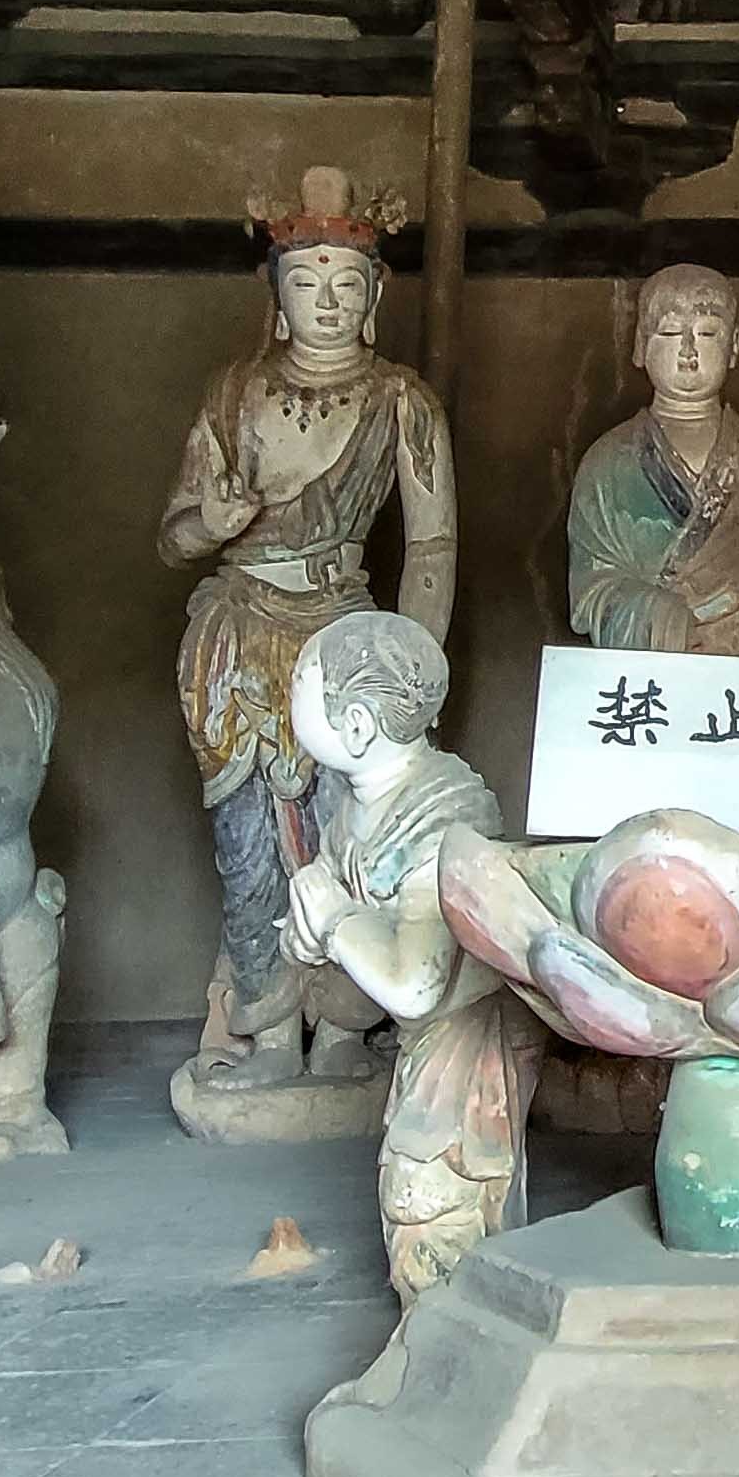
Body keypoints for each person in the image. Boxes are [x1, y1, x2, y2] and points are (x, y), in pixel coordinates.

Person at [160, 168, 455, 1096]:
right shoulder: (234, 391)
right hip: (239, 638)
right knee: (249, 846)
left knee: (355, 839)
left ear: (375, 297)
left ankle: (344, 1030)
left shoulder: (403, 399)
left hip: (346, 643)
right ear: (276, 296)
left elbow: (433, 545)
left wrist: (411, 674)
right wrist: (211, 523)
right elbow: (173, 537)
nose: (326, 301)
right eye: (305, 280)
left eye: (346, 283)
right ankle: (269, 1027)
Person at [280, 611, 539, 1301]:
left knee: (433, 1198)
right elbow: (342, 930)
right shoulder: (359, 803)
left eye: (299, 690)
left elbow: (416, 983)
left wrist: (336, 923)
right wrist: (315, 930)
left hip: (465, 1042)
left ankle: (451, 1339)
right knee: (417, 1199)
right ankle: (438, 1334)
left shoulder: (440, 815)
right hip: (422, 1040)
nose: (289, 703)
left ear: (356, 725)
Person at [564, 265, 739, 655]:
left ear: (735, 344)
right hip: (656, 669)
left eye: (707, 333)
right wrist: (669, 621)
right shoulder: (606, 463)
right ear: (640, 344)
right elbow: (592, 589)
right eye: (670, 333)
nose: (688, 352)